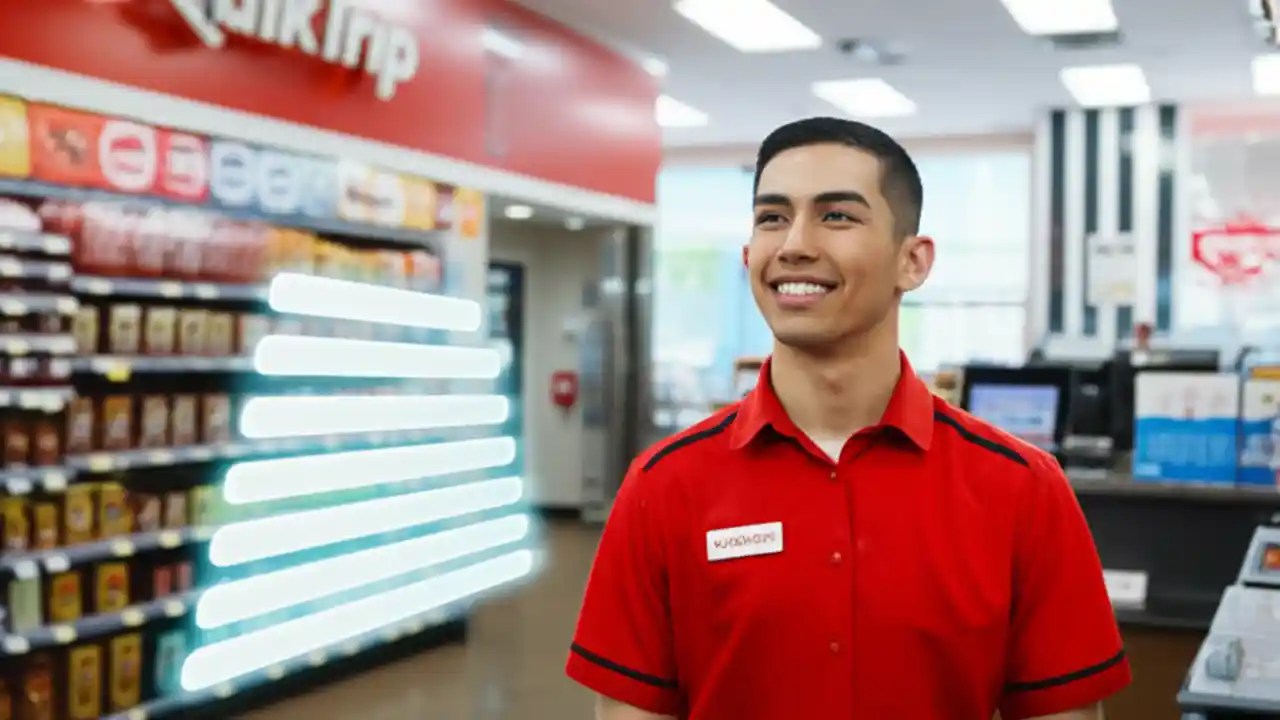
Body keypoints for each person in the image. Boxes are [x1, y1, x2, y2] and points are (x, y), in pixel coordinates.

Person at [565, 117, 1130, 719]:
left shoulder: (1022, 489)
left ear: (912, 261)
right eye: (772, 217)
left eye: (836, 216)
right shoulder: (664, 486)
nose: (794, 245)